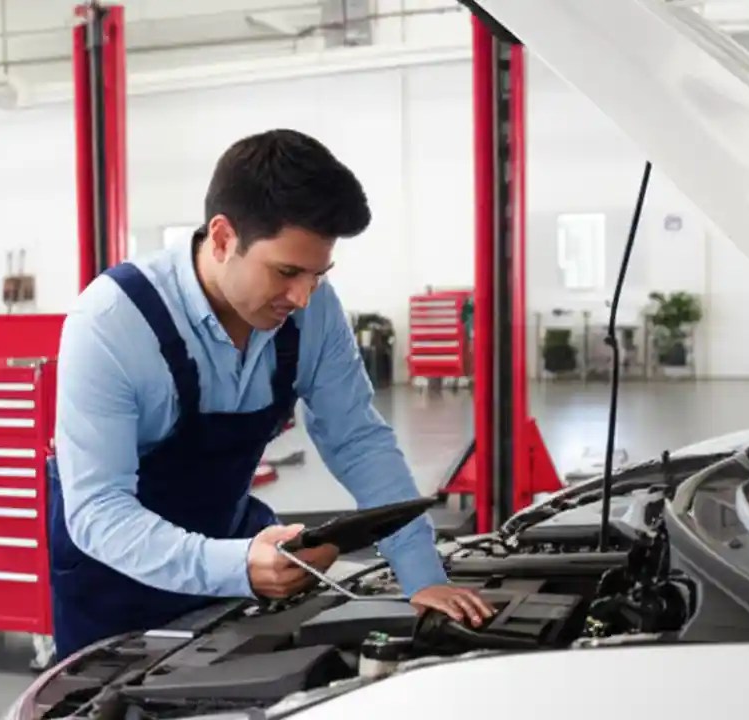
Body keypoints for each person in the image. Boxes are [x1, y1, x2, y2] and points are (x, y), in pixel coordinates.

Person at [47, 128, 496, 658]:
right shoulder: (111, 323)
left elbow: (357, 438)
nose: (304, 297)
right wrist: (235, 566)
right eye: (286, 272)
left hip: (235, 551)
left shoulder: (313, 310)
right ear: (222, 238)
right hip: (115, 584)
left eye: (317, 274)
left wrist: (422, 577)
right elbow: (99, 509)